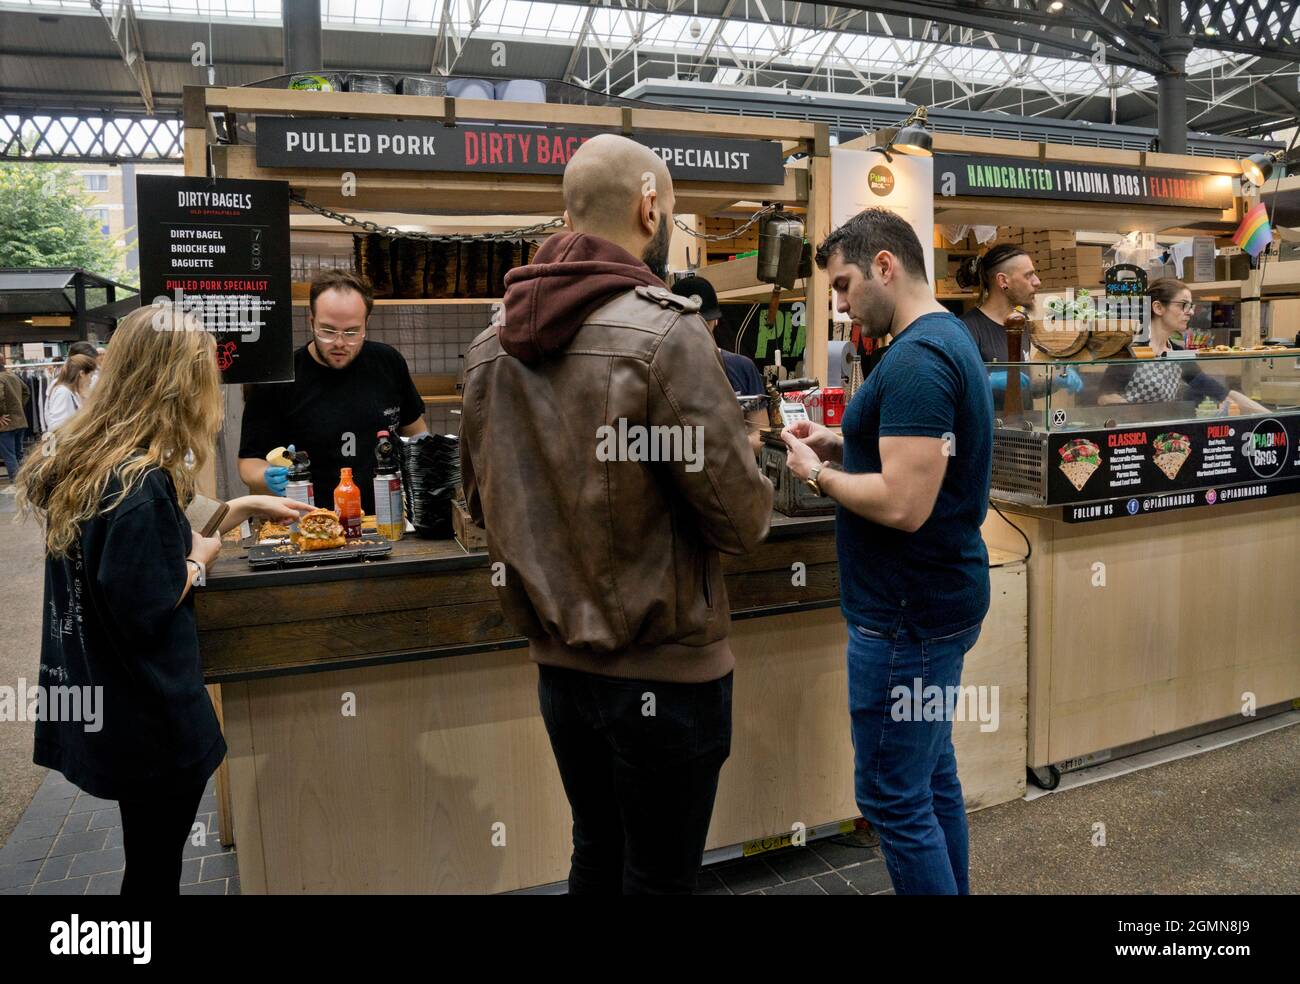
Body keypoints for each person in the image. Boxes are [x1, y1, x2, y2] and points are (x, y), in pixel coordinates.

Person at [459, 133, 773, 895]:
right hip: (667, 670)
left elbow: (477, 510)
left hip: (560, 671)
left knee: (595, 852)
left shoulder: (487, 349)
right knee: (660, 876)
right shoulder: (667, 336)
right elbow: (741, 520)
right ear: (648, 204)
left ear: (567, 211)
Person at [15, 302, 313, 894]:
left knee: (147, 858)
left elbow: (144, 543)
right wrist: (197, 562)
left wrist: (249, 506)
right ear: (177, 383)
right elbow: (147, 605)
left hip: (97, 696)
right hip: (148, 718)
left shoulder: (83, 456)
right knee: (154, 871)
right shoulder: (139, 482)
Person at [782, 208, 993, 895]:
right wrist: (843, 443)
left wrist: (816, 475)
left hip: (906, 617)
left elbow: (905, 505)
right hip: (934, 603)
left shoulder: (915, 361)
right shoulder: (941, 337)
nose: (840, 307)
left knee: (893, 799)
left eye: (843, 286)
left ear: (884, 265)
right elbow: (918, 453)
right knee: (930, 779)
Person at [238, 270, 429, 512]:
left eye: (351, 332)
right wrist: (267, 475)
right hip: (307, 519)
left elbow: (416, 433)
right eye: (327, 331)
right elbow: (248, 462)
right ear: (311, 321)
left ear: (366, 324)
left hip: (382, 517)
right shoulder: (279, 378)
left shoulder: (388, 363)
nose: (339, 342)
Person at [1098, 277, 1267, 412]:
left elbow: (1220, 392)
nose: (1191, 312)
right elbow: (1105, 397)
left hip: (1166, 436)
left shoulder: (1176, 353)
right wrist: (1143, 416)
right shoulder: (1133, 349)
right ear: (1158, 308)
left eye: (1191, 306)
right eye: (1184, 305)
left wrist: (1270, 417)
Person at [960, 244, 1081, 403]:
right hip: (989, 428)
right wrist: (987, 381)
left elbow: (1024, 387)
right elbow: (954, 388)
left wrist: (1055, 382)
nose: (1037, 282)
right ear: (1003, 281)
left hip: (1021, 426)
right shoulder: (966, 329)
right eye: (1028, 275)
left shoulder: (1020, 325)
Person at [673, 273, 769, 452]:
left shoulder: (742, 368)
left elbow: (761, 435)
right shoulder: (659, 368)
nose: (697, 331)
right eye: (689, 323)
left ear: (716, 321)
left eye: (705, 323)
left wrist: (721, 451)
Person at [0, 353, 29, 493]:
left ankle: (16, 484)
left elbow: (0, 397)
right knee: (18, 453)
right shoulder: (13, 376)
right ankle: (24, 482)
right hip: (20, 420)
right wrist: (19, 407)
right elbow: (26, 391)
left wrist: (1, 414)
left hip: (6, 424)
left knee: (9, 454)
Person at [45, 353, 97, 430]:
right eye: (90, 375)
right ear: (82, 373)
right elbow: (56, 427)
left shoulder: (71, 392)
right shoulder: (63, 392)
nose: (90, 380)